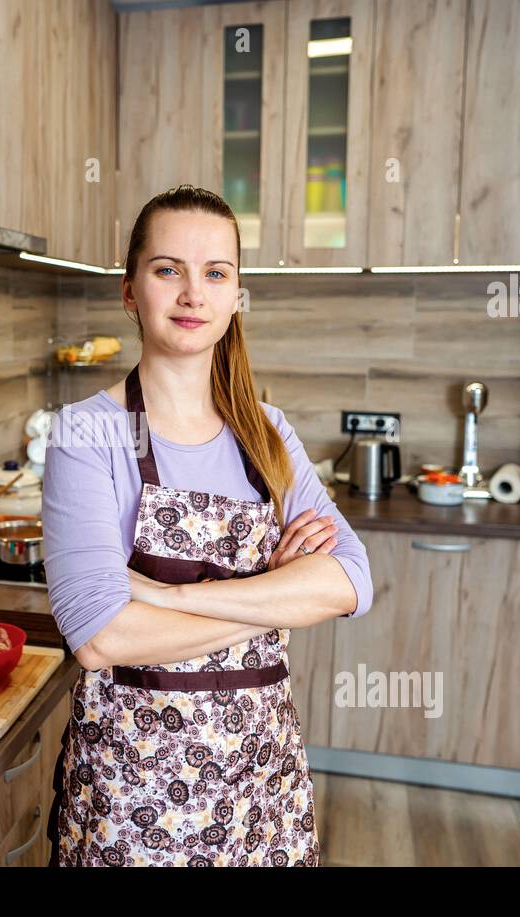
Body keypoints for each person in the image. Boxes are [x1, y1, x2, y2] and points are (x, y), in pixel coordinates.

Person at [41, 184, 374, 867]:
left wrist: (168, 595)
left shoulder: (267, 432)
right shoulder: (88, 434)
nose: (194, 294)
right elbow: (103, 637)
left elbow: (350, 581)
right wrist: (278, 596)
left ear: (235, 295)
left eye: (215, 273)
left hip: (261, 790)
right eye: (168, 270)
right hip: (133, 802)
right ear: (130, 291)